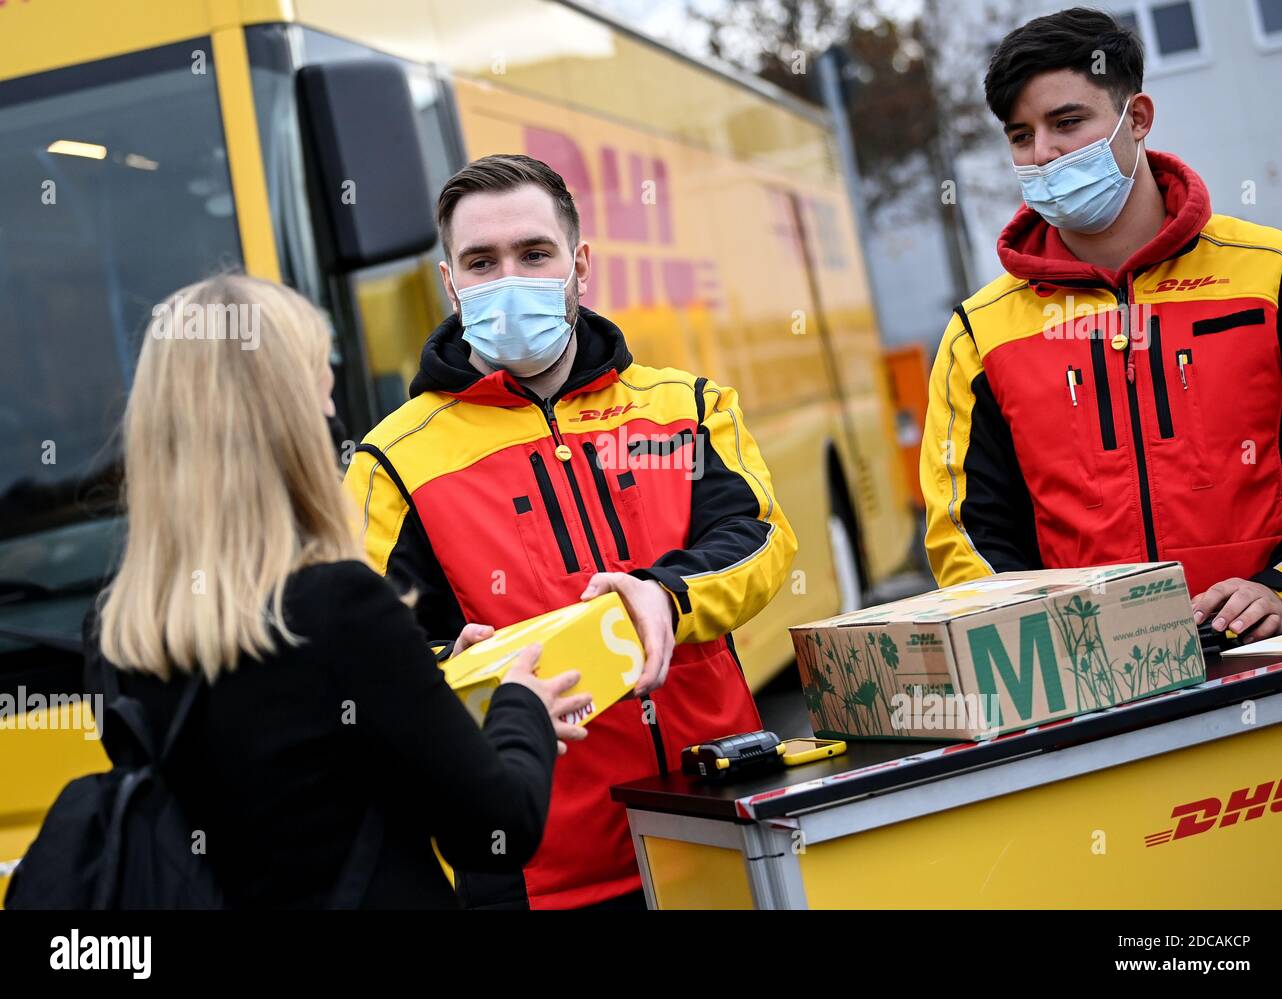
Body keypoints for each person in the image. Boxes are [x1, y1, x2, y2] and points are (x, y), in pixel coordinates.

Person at [344, 154, 797, 909]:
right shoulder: (391, 461)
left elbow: (759, 537)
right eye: (481, 262)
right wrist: (444, 668)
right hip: (541, 874)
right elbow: (360, 658)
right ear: (450, 283)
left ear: (579, 263)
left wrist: (667, 594)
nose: (508, 278)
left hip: (721, 823)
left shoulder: (685, 404)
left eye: (533, 253)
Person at [85, 274, 588, 908]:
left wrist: (428, 691)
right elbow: (495, 829)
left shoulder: (118, 632)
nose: (332, 416)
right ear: (288, 422)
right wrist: (520, 709)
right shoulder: (338, 607)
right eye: (322, 393)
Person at [922, 7, 1282, 641]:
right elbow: (966, 534)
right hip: (1092, 696)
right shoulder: (978, 333)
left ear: (1139, 118)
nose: (1044, 153)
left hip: (1276, 659)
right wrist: (1034, 640)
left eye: (1067, 122)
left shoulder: (1279, 274)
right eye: (1021, 135)